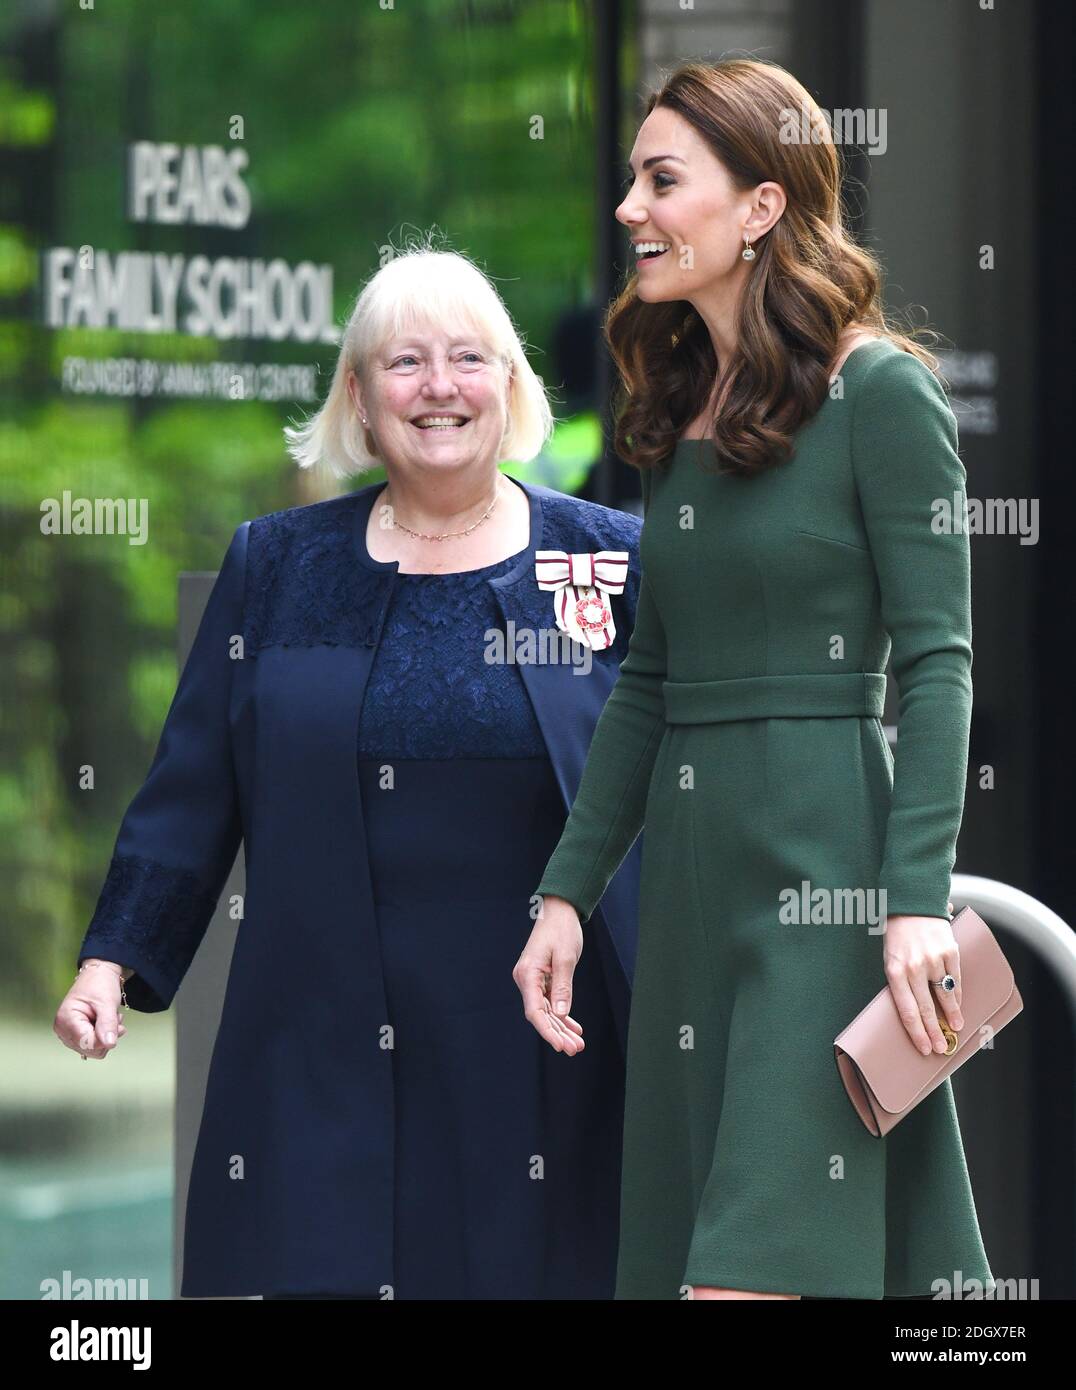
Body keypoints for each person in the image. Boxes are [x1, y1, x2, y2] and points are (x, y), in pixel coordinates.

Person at [54, 242, 644, 1300]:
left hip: (542, 1041)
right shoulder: (277, 564)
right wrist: (114, 958)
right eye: (403, 362)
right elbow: (192, 789)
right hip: (318, 1033)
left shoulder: (605, 558)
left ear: (509, 387)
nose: (437, 387)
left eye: (468, 359)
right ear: (359, 398)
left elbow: (672, 779)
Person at [518, 58, 995, 1301]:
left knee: (751, 1265)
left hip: (821, 883)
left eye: (661, 179)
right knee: (697, 1256)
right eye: (630, 179)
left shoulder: (877, 392)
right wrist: (565, 894)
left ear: (761, 207)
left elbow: (937, 664)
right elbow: (644, 682)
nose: (628, 207)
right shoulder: (676, 406)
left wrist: (913, 900)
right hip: (686, 886)